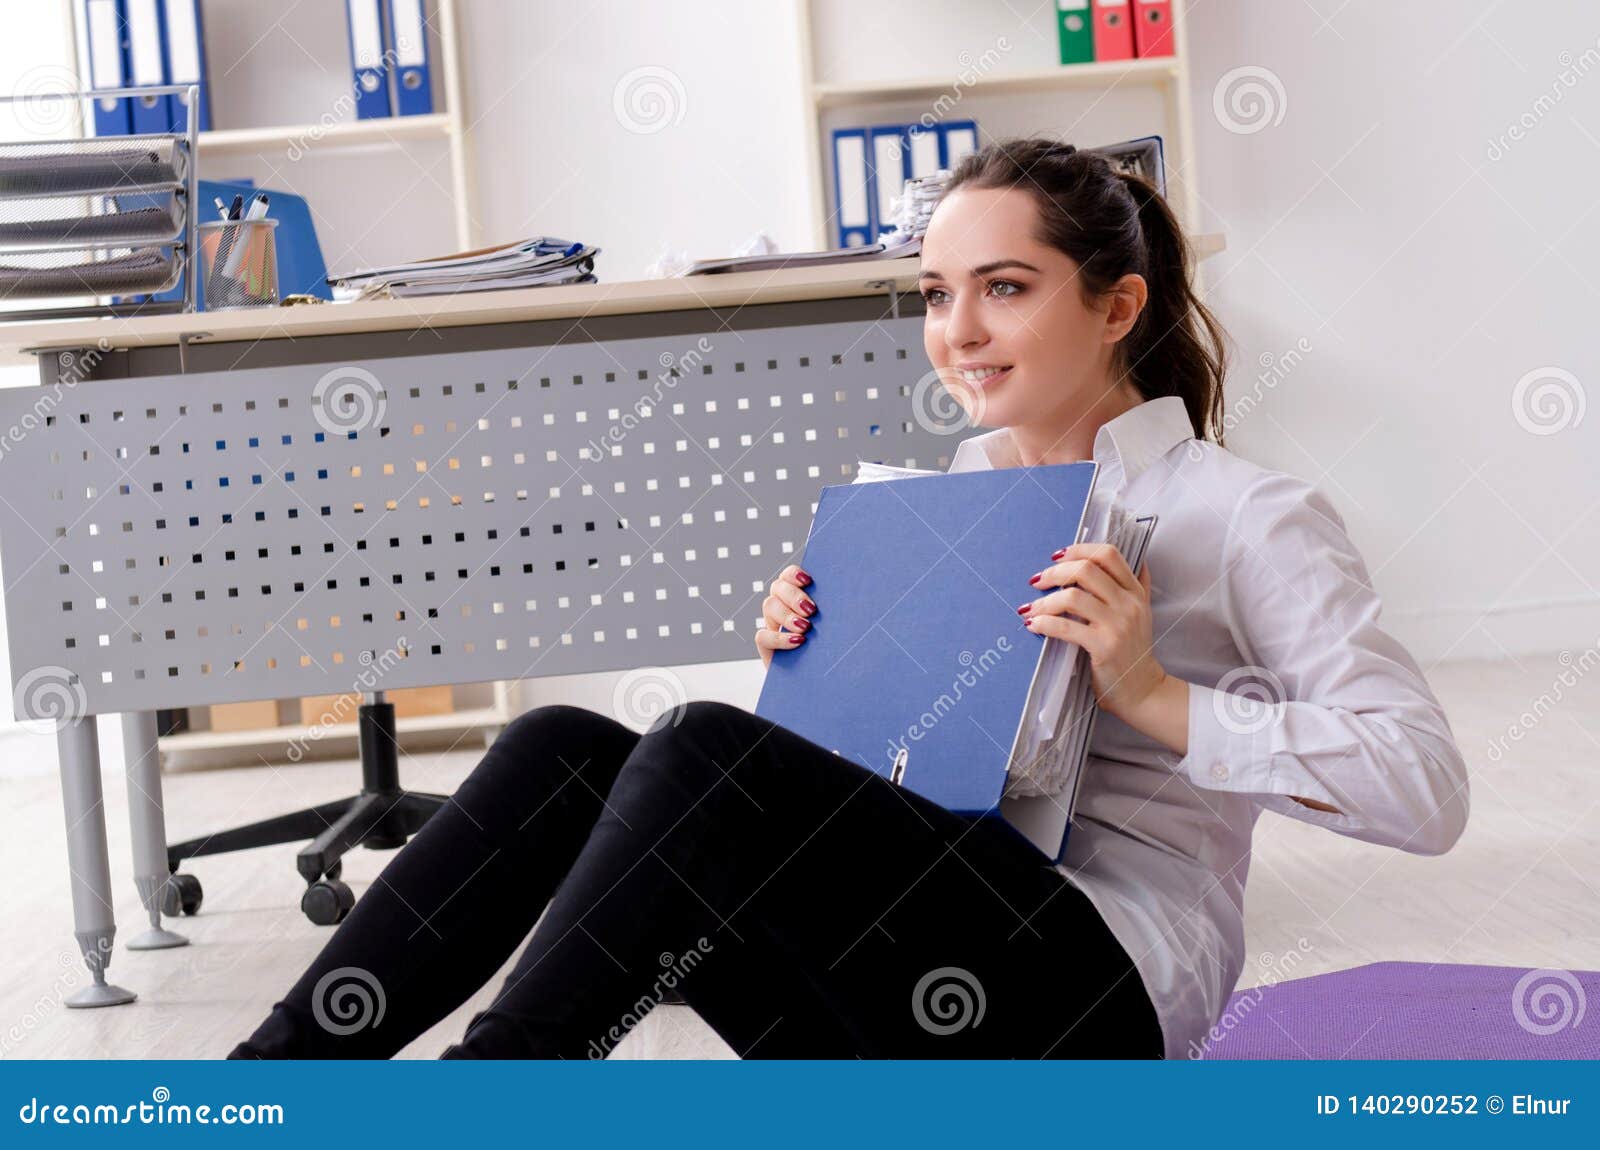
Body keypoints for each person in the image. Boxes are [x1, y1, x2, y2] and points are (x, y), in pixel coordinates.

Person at [230, 137, 1469, 1061]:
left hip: (1087, 1003)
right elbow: (899, 792)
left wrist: (1154, 694)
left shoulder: (1249, 515)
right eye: (936, 295)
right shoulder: (952, 497)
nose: (959, 331)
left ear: (1117, 306)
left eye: (1006, 288)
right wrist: (816, 680)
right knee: (567, 749)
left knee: (704, 753)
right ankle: (269, 1092)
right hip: (899, 980)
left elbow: (1425, 792)